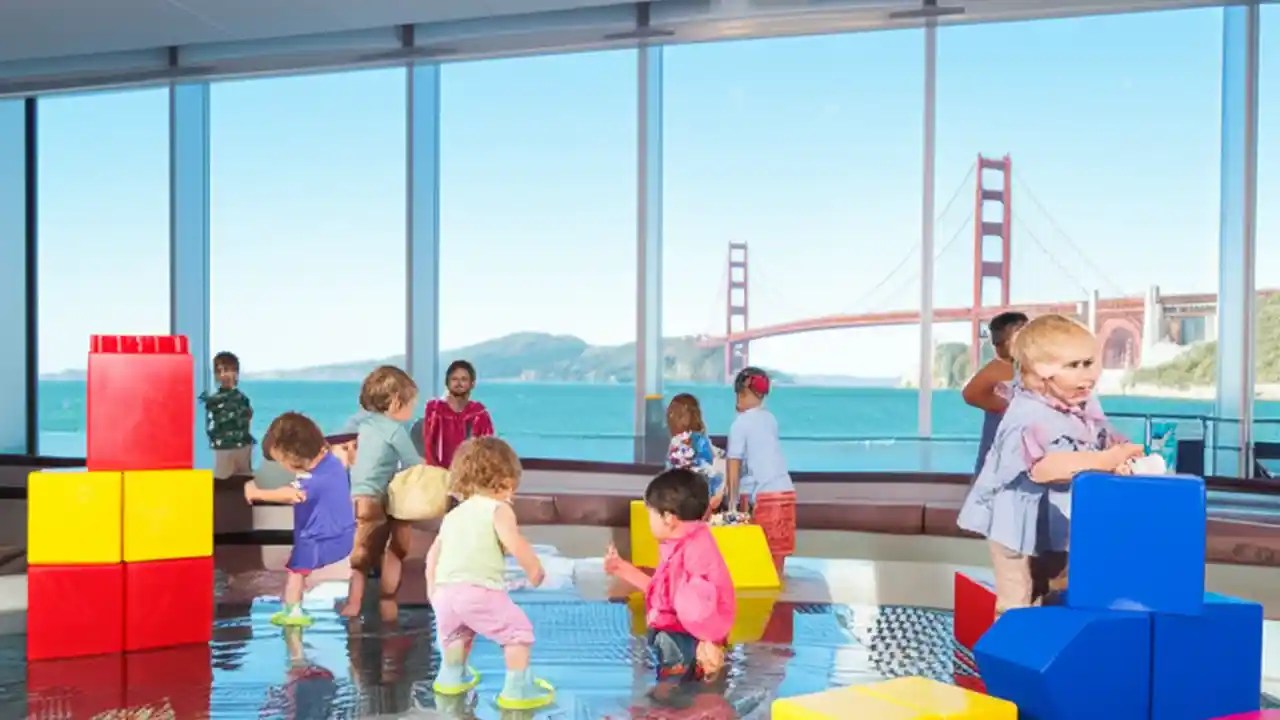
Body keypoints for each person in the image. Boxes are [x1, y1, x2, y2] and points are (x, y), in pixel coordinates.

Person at [956, 314, 1145, 615]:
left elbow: (1100, 433)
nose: (1089, 374)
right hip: (1014, 522)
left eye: (1090, 362)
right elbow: (1042, 468)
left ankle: (1051, 644)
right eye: (1075, 365)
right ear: (1043, 370)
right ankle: (1011, 652)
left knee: (1059, 584)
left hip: (1057, 517)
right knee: (1016, 596)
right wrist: (1101, 462)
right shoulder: (1026, 415)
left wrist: (1119, 450)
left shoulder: (1081, 401)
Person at [426, 437, 554, 710]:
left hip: (444, 593)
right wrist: (535, 570)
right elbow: (514, 541)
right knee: (518, 633)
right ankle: (517, 690)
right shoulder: (498, 509)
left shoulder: (454, 515)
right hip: (478, 590)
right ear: (505, 481)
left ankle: (451, 678)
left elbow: (433, 555)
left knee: (456, 636)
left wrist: (433, 590)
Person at [605, 469, 735, 685]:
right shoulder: (684, 543)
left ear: (668, 518)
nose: (650, 521)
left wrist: (709, 640)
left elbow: (701, 603)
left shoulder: (693, 553)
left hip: (681, 640)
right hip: (679, 635)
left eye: (651, 514)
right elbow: (663, 593)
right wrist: (622, 568)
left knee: (673, 691)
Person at [244, 412, 356, 627]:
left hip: (319, 538)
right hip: (342, 532)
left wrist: (255, 493)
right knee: (298, 572)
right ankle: (292, 606)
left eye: (282, 461)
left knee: (296, 572)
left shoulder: (311, 480)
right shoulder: (332, 462)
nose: (282, 466)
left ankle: (293, 610)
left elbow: (290, 494)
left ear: (293, 458)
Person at [341, 366, 425, 620]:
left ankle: (354, 604)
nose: (413, 409)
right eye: (410, 403)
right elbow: (413, 463)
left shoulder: (362, 424)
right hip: (377, 499)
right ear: (395, 402)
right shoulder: (395, 430)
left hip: (355, 497)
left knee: (361, 556)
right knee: (396, 549)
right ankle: (387, 601)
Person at [724, 367, 796, 575]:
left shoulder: (740, 424)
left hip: (764, 497)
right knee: (776, 561)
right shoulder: (770, 419)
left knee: (757, 560)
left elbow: (733, 464)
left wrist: (732, 503)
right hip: (785, 492)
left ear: (742, 393)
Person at [963, 311, 1029, 476]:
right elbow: (970, 394)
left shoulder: (1028, 366)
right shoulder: (999, 367)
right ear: (1001, 343)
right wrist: (1002, 406)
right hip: (1001, 434)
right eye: (1022, 334)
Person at [423, 360, 496, 469]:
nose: (459, 383)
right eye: (454, 379)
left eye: (464, 379)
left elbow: (488, 449)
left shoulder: (479, 413)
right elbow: (428, 446)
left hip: (470, 475)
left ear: (472, 384)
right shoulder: (435, 410)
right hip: (438, 474)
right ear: (447, 382)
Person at [665, 394, 725, 513]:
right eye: (670, 414)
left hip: (698, 498)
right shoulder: (678, 442)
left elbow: (707, 468)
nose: (672, 418)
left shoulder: (698, 441)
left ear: (690, 417)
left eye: (677, 414)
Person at [199, 351, 255, 480]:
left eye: (227, 370)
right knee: (221, 483)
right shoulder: (213, 400)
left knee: (243, 481)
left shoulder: (242, 399)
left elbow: (247, 419)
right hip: (223, 448)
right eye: (219, 371)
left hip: (242, 447)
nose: (223, 375)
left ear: (236, 373)